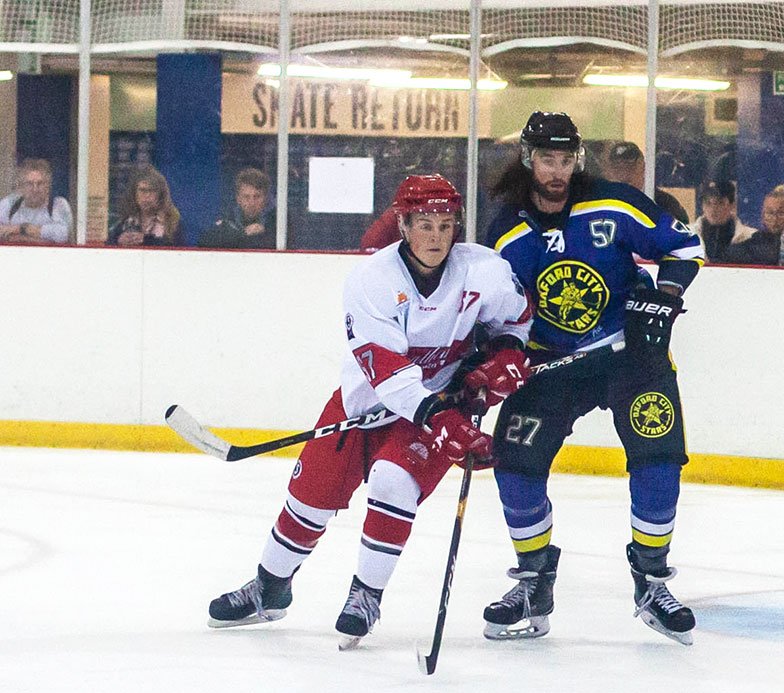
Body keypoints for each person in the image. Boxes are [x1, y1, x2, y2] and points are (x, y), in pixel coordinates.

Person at [206, 175, 532, 646]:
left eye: (445, 225)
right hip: (368, 404)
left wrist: (505, 356)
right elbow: (389, 373)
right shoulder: (371, 280)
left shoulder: (484, 271)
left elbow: (518, 320)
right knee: (309, 500)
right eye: (425, 224)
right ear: (402, 224)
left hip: (440, 407)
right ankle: (269, 588)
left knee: (393, 482)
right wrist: (440, 417)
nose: (437, 237)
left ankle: (366, 594)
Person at [480, 111, 706, 644]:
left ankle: (651, 580)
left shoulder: (611, 202)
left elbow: (685, 248)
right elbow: (494, 310)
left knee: (658, 456)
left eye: (565, 160)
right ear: (529, 161)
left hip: (630, 351)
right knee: (514, 462)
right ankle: (534, 579)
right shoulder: (505, 231)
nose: (557, 171)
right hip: (549, 362)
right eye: (546, 160)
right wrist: (492, 361)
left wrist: (664, 297)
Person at [604, 141, 690, 225]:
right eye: (618, 169)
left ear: (643, 166)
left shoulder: (665, 203)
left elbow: (682, 235)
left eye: (630, 168)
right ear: (609, 172)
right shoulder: (603, 203)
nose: (624, 175)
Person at [0, 158, 74, 244]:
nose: (35, 189)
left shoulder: (58, 204)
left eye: (40, 183)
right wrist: (41, 238)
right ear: (21, 186)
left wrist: (23, 229)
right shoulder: (10, 203)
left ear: (48, 186)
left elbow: (63, 235)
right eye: (29, 184)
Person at [731, 185, 784, 266]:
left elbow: (776, 257)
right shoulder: (759, 238)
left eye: (781, 213)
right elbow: (732, 254)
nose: (775, 218)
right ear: (763, 216)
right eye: (770, 213)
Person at [201, 168, 274, 250]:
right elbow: (204, 243)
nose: (252, 203)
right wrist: (243, 234)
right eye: (246, 197)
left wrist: (264, 234)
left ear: (265, 198)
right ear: (238, 198)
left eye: (257, 196)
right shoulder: (226, 221)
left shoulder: (276, 224)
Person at [110, 166, 181, 246]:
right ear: (134, 193)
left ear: (161, 195)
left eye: (152, 190)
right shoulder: (124, 222)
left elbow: (180, 251)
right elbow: (106, 246)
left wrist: (146, 240)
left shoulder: (172, 221)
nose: (147, 195)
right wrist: (117, 241)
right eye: (142, 190)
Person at [690, 178, 755, 264]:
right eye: (708, 203)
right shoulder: (685, 235)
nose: (713, 209)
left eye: (720, 203)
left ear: (732, 205)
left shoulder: (750, 237)